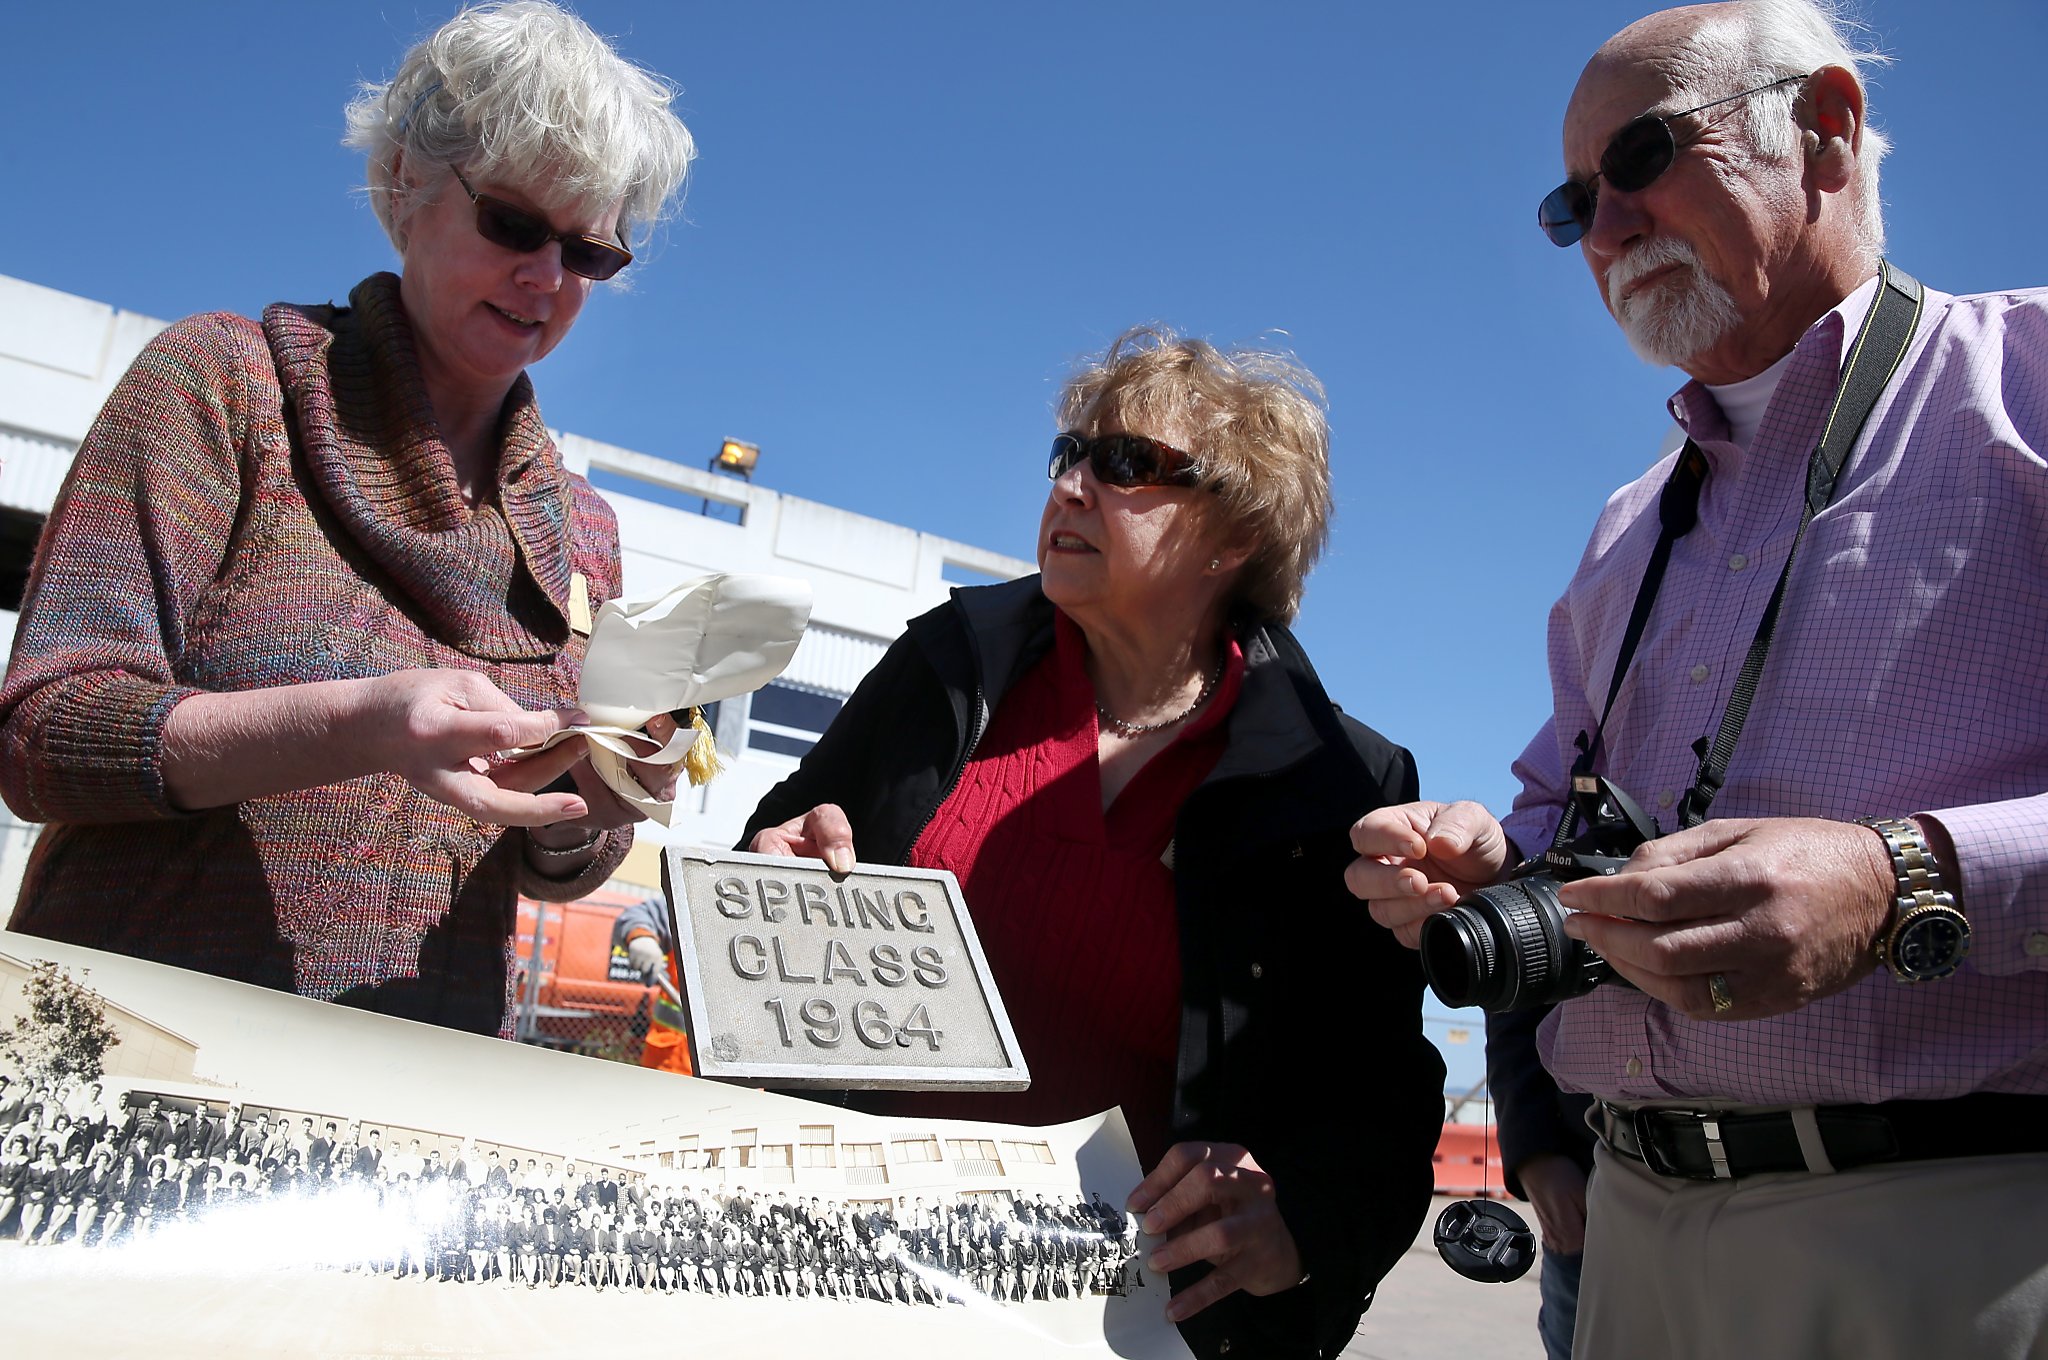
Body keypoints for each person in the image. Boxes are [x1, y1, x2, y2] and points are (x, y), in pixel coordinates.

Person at [1347, 2, 2048, 1356]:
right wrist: (1495, 862)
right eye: (1571, 204)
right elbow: (1565, 818)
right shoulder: (1624, 531)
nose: (1603, 231)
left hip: (1968, 1235)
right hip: (1635, 1237)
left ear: (1827, 130)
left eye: (1643, 157)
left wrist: (1905, 881)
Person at [743, 327, 1445, 1358]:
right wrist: (774, 866)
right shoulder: (945, 668)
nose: (1070, 485)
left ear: (1233, 537)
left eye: (1120, 465)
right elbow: (774, 839)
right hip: (839, 1279)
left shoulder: (1337, 786)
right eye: (1066, 456)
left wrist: (1301, 1224)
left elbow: (1378, 1094)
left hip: (1115, 1323)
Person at [0, 0, 694, 1037]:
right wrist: (360, 727)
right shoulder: (226, 390)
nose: (546, 277)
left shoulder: (579, 529)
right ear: (405, 181)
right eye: (511, 223)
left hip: (417, 1102)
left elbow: (551, 868)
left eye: (588, 254)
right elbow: (43, 736)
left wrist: (606, 795)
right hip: (128, 1057)